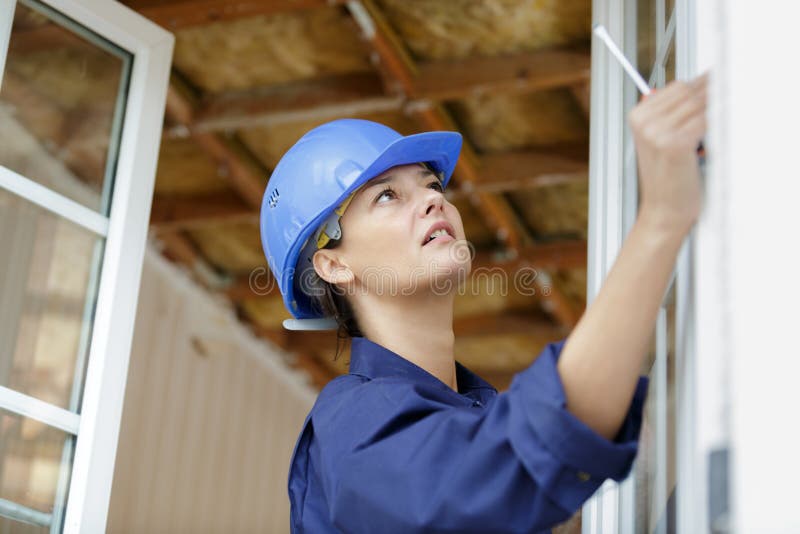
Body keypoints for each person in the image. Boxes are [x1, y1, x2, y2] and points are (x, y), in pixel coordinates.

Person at [260, 74, 708, 533]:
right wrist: (661, 218)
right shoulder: (352, 422)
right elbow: (506, 466)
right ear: (334, 266)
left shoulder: (470, 414)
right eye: (387, 195)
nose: (434, 200)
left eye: (432, 184)